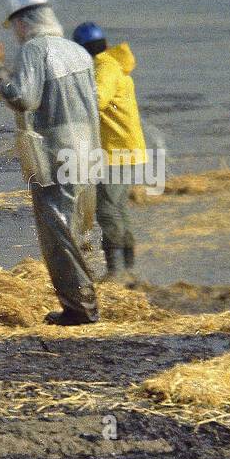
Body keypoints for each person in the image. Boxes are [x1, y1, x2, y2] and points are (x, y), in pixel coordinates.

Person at [0, 0, 100, 325]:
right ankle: (84, 300)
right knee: (77, 227)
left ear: (23, 22)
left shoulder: (36, 50)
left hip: (55, 154)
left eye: (15, 26)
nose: (16, 34)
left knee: (57, 230)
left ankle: (80, 309)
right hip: (86, 149)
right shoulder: (77, 51)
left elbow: (23, 99)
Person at [72, 21, 147, 282]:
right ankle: (128, 269)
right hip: (122, 148)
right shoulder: (111, 65)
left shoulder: (105, 68)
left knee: (107, 210)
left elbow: (97, 99)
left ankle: (116, 271)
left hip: (117, 151)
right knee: (119, 209)